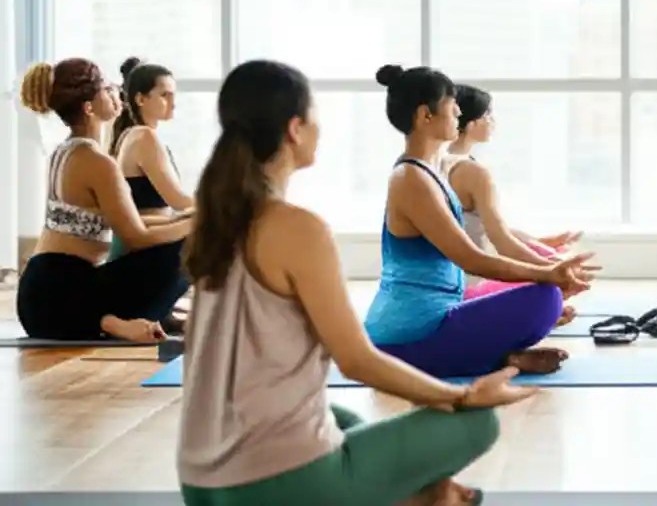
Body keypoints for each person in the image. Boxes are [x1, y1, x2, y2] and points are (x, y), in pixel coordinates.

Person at [178, 59, 528, 506]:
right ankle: (420, 498)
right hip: (270, 483)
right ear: (294, 129)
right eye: (316, 118)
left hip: (199, 481)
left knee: (335, 414)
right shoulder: (297, 228)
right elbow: (357, 360)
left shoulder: (217, 221)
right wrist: (461, 395)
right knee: (480, 422)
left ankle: (418, 495)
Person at [363, 64, 599, 378]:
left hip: (433, 312)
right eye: (451, 105)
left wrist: (549, 270)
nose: (459, 111)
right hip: (407, 334)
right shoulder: (411, 179)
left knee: (544, 293)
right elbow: (471, 258)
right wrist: (548, 274)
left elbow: (490, 236)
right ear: (425, 116)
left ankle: (497, 356)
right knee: (545, 298)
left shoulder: (429, 170)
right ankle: (498, 359)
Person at [16, 59, 191, 343]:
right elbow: (136, 236)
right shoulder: (97, 162)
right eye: (107, 89)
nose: (116, 93)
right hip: (63, 298)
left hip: (39, 297)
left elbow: (129, 220)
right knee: (197, 245)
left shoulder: (66, 152)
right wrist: (196, 225)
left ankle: (111, 322)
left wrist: (186, 221)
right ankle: (114, 322)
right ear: (88, 107)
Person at [442, 84, 581, 323]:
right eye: (487, 115)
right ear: (471, 123)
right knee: (550, 292)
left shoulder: (438, 162)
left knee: (555, 254)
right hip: (465, 286)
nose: (492, 121)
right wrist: (551, 271)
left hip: (450, 279)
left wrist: (541, 244)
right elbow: (500, 239)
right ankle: (534, 315)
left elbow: (489, 227)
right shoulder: (472, 171)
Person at [107, 57, 193, 261]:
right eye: (164, 95)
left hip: (146, 241)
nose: (173, 103)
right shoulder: (144, 137)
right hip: (145, 249)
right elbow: (179, 202)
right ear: (141, 100)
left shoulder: (131, 135)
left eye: (173, 95)